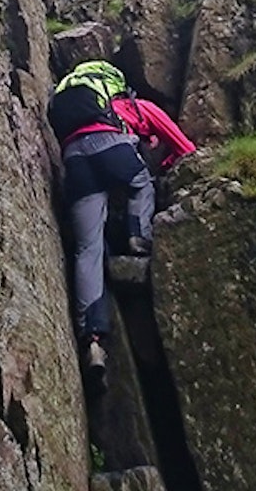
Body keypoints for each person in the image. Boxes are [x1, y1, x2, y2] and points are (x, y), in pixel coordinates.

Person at [48, 61, 195, 389]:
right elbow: (185, 147)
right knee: (142, 182)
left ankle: (94, 340)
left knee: (88, 248)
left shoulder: (86, 108)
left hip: (74, 157)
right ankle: (137, 238)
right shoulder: (137, 107)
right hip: (110, 147)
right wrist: (168, 157)